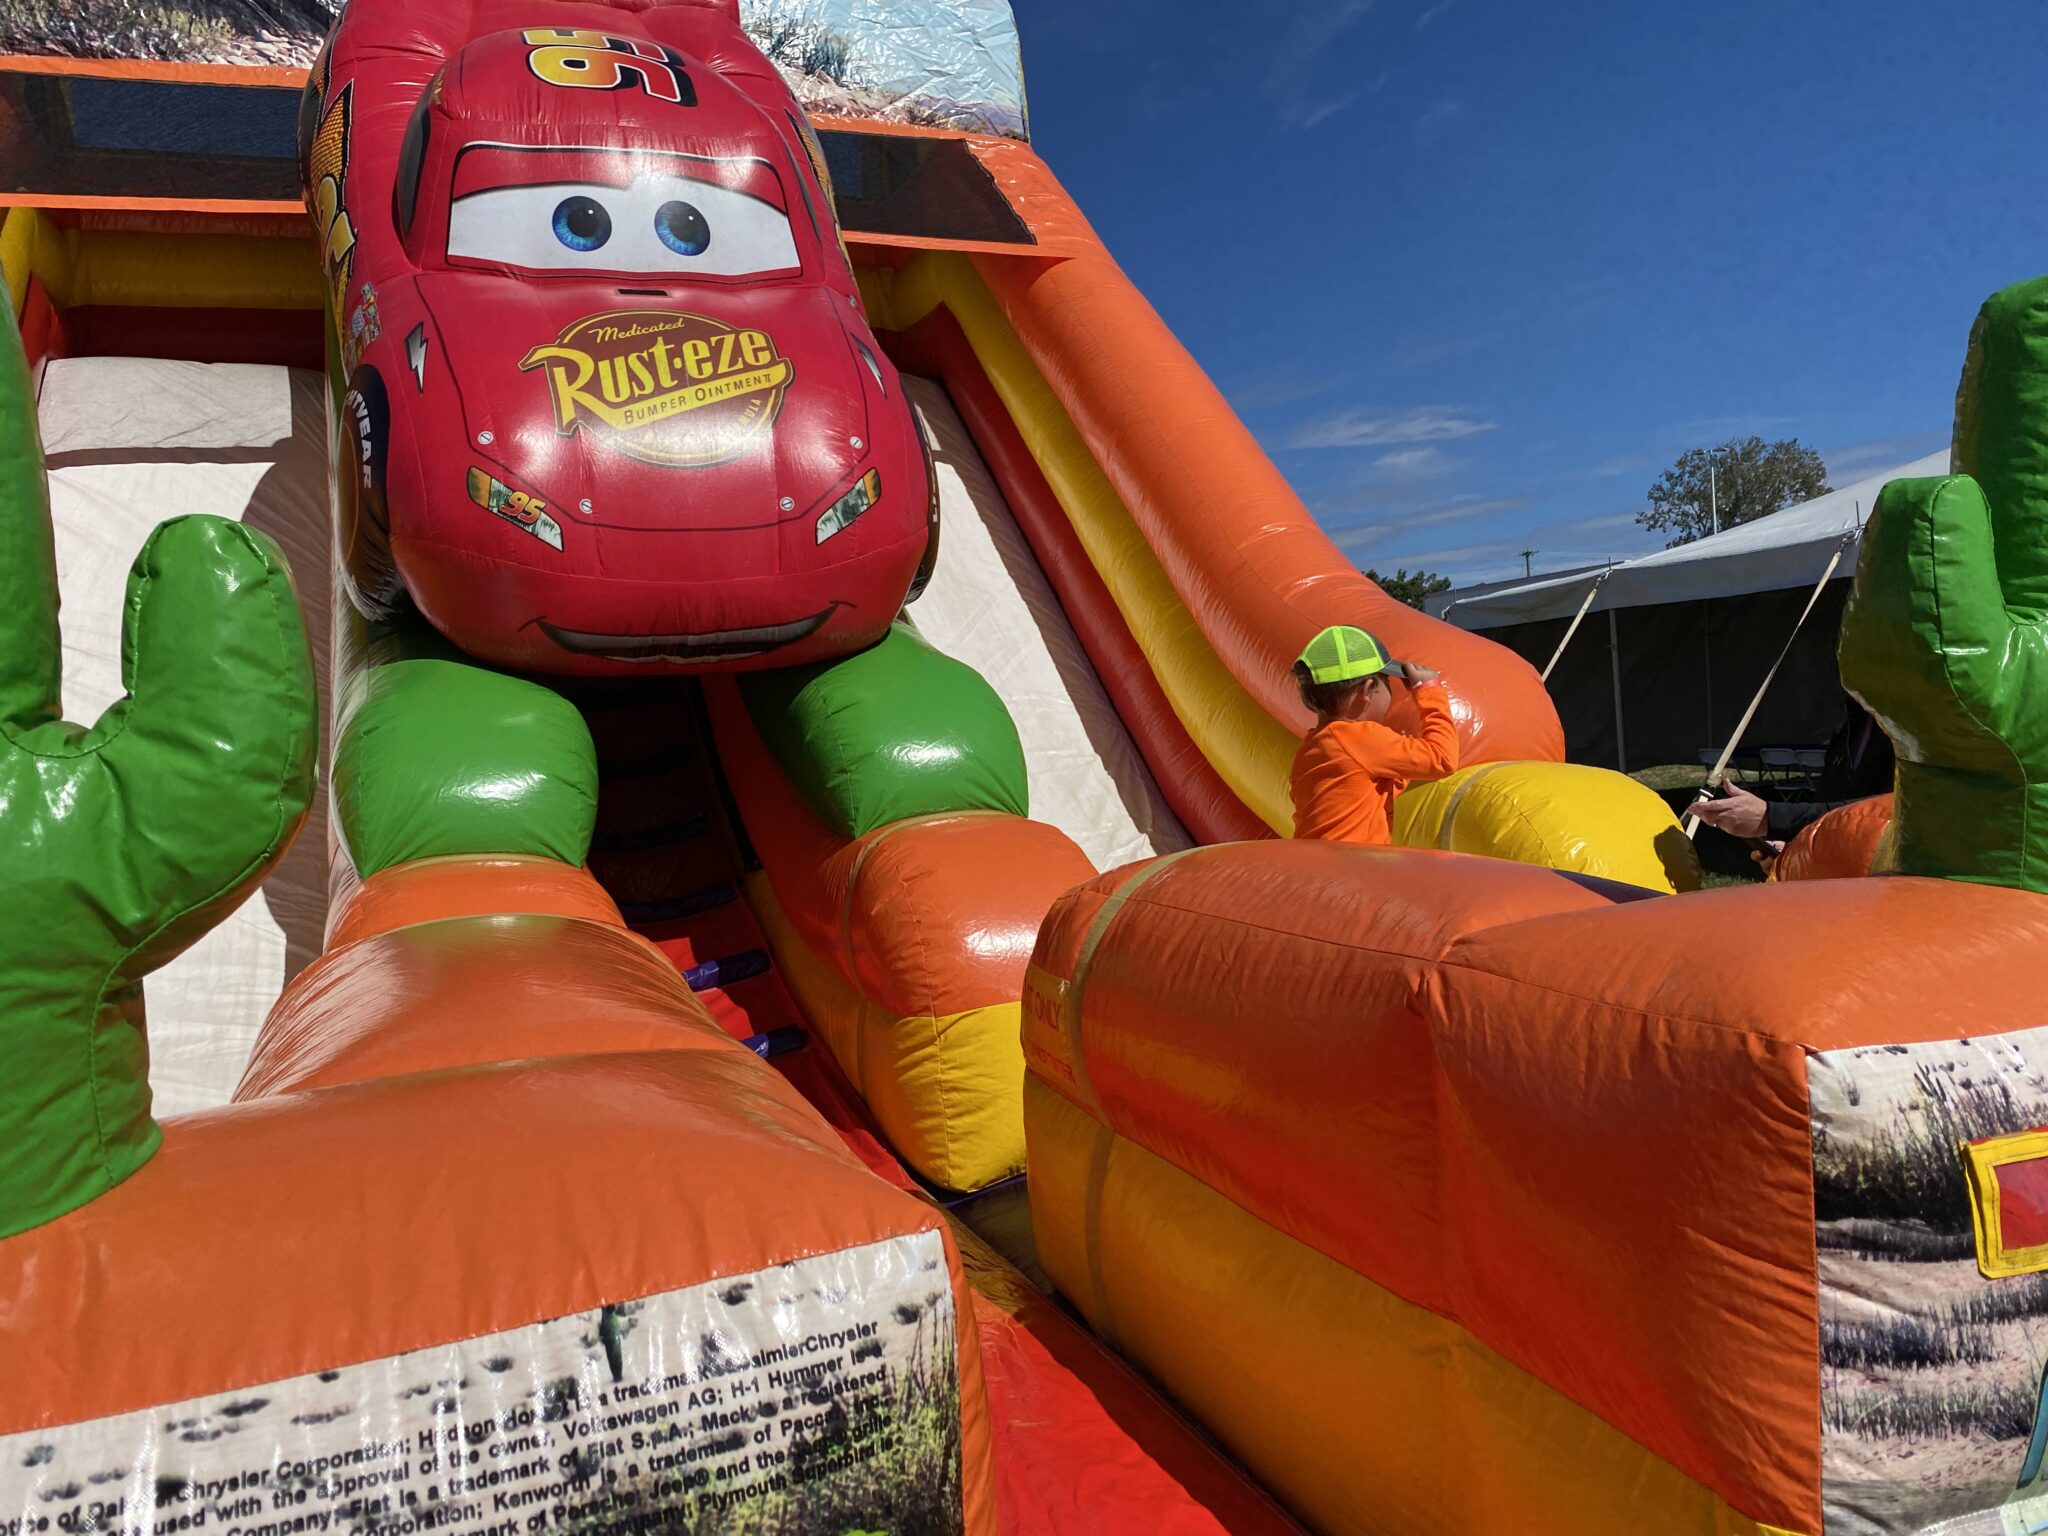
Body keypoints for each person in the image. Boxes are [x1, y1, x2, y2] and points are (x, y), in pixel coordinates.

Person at [1289, 625, 1459, 846]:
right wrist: (1429, 690)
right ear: (1367, 689)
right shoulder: (1363, 737)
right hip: (1353, 863)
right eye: (1387, 682)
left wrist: (1398, 766)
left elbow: (1355, 794)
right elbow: (1443, 759)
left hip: (1315, 859)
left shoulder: (1312, 747)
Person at [1691, 692, 1896, 860]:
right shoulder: (1854, 723)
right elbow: (1830, 801)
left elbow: (1884, 813)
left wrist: (1771, 818)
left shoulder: (1907, 734)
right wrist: (1793, 847)